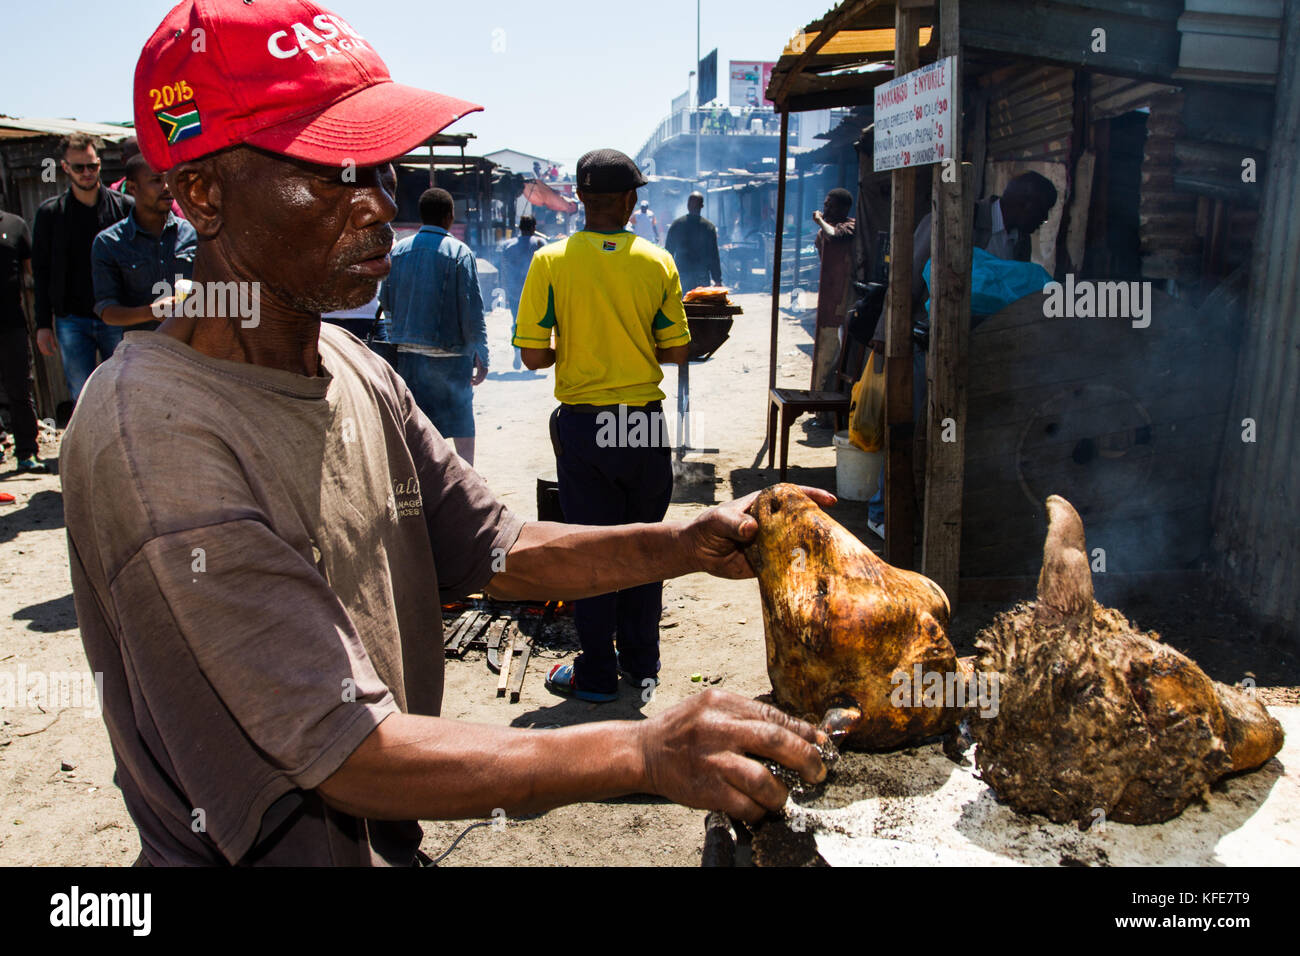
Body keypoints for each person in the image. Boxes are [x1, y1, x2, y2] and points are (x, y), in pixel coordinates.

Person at [62, 0, 829, 867]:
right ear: (203, 194)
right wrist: (641, 750)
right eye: (331, 174)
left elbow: (497, 549)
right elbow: (351, 753)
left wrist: (685, 542)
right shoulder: (155, 436)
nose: (376, 207)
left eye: (380, 172)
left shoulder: (354, 366)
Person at [513, 148, 693, 704]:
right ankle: (642, 668)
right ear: (632, 202)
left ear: (579, 202)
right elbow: (678, 350)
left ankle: (594, 675)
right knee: (645, 547)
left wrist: (578, 341)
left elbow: (533, 359)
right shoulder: (657, 262)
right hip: (641, 424)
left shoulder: (551, 262)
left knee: (591, 553)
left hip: (586, 426)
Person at [863, 171, 1058, 538]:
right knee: (912, 425)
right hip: (925, 340)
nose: (1043, 221)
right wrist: (885, 333)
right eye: (1043, 212)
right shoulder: (954, 216)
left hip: (974, 348)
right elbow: (906, 277)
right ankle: (882, 512)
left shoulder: (1019, 239)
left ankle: (933, 514)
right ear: (1025, 203)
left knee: (953, 434)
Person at [379, 187, 488, 465]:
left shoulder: (399, 251)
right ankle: (466, 480)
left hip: (408, 356)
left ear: (421, 216)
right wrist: (481, 353)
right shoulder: (460, 253)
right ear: (450, 216)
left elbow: (386, 300)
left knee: (417, 425)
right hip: (451, 357)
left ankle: (422, 485)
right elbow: (472, 308)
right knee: (462, 422)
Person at [31, 133, 134, 403]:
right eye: (79, 167)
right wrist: (43, 324)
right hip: (73, 319)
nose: (87, 173)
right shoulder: (51, 214)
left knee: (126, 391)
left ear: (99, 164)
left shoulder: (123, 208)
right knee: (84, 396)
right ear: (65, 168)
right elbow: (40, 272)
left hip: (117, 315)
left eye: (92, 166)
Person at [92, 153, 198, 332]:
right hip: (141, 349)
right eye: (156, 181)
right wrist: (151, 312)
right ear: (132, 188)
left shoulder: (195, 234)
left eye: (169, 179)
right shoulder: (109, 243)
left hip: (193, 346)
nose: (167, 187)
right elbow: (107, 311)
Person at [0, 205, 48, 473]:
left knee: (20, 387)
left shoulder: (15, 225)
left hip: (11, 323)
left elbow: (32, 273)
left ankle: (27, 452)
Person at [810, 188, 857, 407]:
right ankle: (820, 406)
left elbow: (834, 236)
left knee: (838, 357)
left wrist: (820, 220)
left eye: (831, 205)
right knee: (823, 357)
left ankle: (828, 407)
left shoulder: (850, 226)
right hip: (829, 300)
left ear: (843, 208)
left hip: (845, 300)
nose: (826, 208)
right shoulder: (824, 232)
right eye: (825, 204)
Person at [500, 215, 546, 370]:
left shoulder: (508, 245)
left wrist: (504, 290)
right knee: (535, 324)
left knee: (516, 323)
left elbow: (504, 271)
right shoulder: (540, 243)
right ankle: (532, 354)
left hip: (514, 292)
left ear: (520, 228)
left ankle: (517, 350)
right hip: (536, 293)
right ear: (534, 227)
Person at [664, 191, 722, 294]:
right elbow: (713, 255)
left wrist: (666, 275)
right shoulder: (708, 227)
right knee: (702, 305)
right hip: (702, 275)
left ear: (687, 206)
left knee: (683, 305)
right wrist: (717, 279)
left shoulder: (677, 224)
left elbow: (668, 252)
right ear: (702, 206)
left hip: (682, 273)